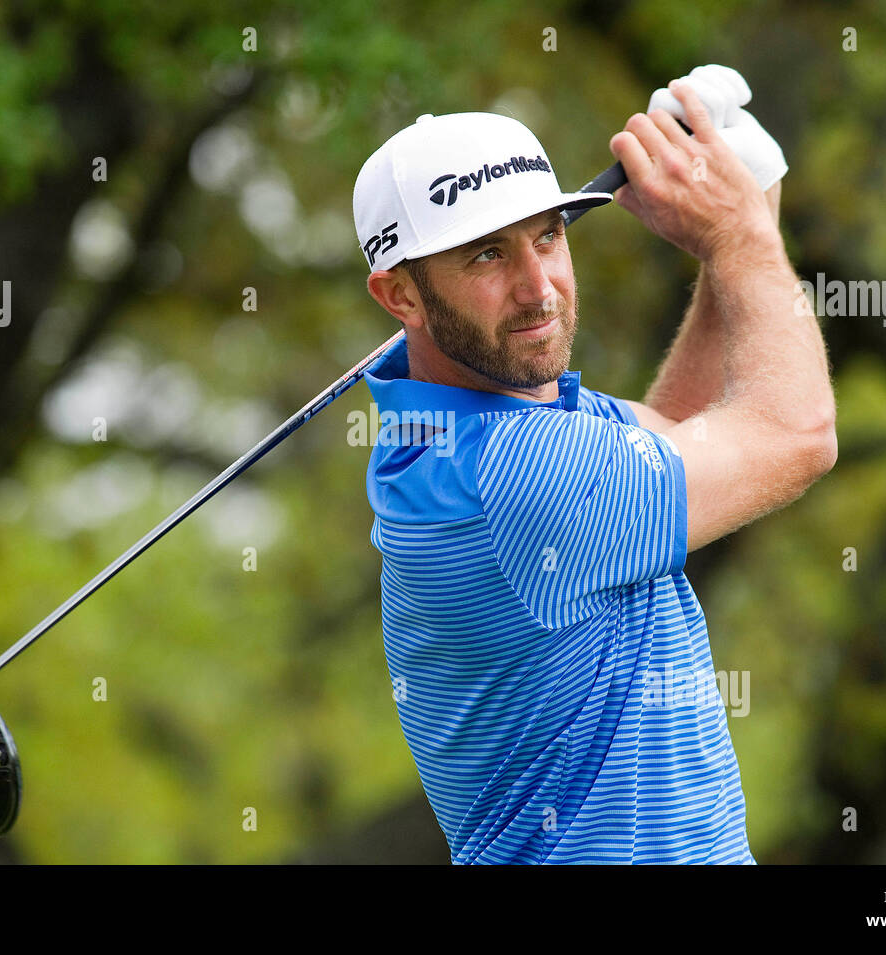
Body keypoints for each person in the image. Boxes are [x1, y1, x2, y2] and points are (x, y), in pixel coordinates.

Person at [352, 80, 836, 864]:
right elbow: (796, 432)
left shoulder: (461, 431)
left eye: (546, 236)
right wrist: (743, 240)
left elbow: (683, 439)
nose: (538, 287)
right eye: (487, 254)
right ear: (399, 291)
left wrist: (744, 220)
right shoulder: (517, 471)